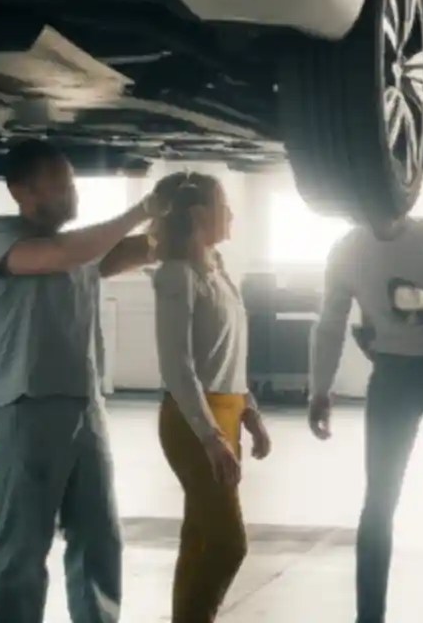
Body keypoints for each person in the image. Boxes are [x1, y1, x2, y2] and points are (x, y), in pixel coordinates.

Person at [0, 139, 159, 623]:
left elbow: (126, 251)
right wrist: (140, 210)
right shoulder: (0, 235)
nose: (71, 196)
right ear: (21, 192)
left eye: (72, 185)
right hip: (26, 409)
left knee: (99, 538)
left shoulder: (80, 247)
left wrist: (183, 225)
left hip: (84, 408)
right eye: (59, 187)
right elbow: (58, 254)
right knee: (22, 548)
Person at [307, 211, 423, 623]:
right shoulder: (347, 250)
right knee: (379, 501)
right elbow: (331, 322)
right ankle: (368, 617)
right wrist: (320, 388)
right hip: (393, 373)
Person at [150, 170, 272, 623]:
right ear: (201, 214)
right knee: (228, 543)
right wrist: (210, 436)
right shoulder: (176, 276)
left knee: (200, 536)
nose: (232, 214)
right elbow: (177, 367)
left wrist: (249, 411)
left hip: (225, 411)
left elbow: (229, 354)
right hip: (192, 420)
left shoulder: (218, 269)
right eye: (225, 205)